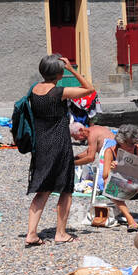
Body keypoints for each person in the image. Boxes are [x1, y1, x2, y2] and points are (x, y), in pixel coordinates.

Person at [25, 54, 93, 246]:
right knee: (65, 189)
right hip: (59, 143)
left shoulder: (33, 90)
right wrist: (72, 70)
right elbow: (89, 89)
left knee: (43, 190)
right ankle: (60, 233)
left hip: (40, 144)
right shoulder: (59, 92)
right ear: (59, 72)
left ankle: (31, 233)